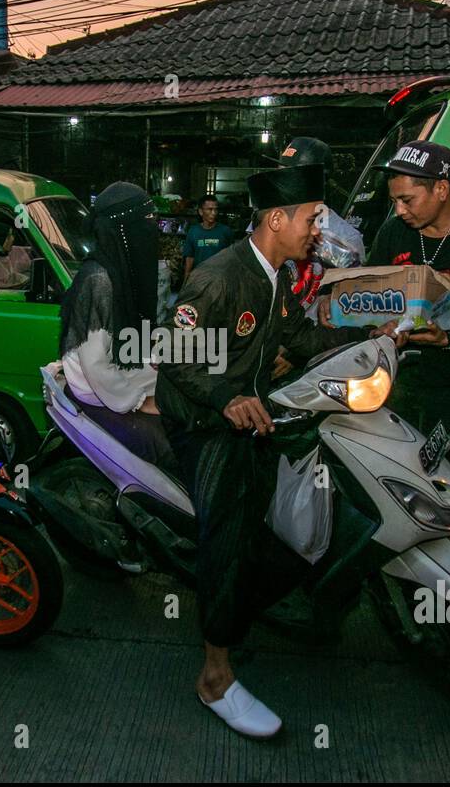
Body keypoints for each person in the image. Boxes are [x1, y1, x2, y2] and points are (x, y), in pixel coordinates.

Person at [156, 163, 393, 738]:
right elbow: (174, 357)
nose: (318, 229)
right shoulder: (216, 278)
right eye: (313, 218)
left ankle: (246, 607)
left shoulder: (279, 274)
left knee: (290, 518)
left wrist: (374, 333)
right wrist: (227, 399)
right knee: (230, 532)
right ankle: (214, 675)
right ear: (277, 218)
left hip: (255, 408)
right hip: (206, 420)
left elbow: (299, 337)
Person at [331, 141, 450, 479]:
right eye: (394, 202)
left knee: (442, 480)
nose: (400, 211)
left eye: (407, 200)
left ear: (442, 189)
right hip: (396, 381)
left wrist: (449, 338)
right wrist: (383, 326)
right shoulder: (394, 232)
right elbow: (376, 296)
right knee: (392, 480)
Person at [59, 182, 173, 468]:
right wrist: (137, 403)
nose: (153, 229)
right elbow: (95, 365)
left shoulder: (123, 270)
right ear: (124, 229)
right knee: (169, 441)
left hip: (120, 370)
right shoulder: (99, 280)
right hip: (97, 387)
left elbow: (127, 334)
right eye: (147, 221)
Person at [181, 194, 232, 281]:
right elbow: (189, 258)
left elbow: (230, 258)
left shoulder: (225, 231)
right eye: (210, 209)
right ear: (201, 211)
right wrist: (186, 281)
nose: (213, 213)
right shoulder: (193, 231)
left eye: (216, 209)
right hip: (198, 279)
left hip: (219, 280)